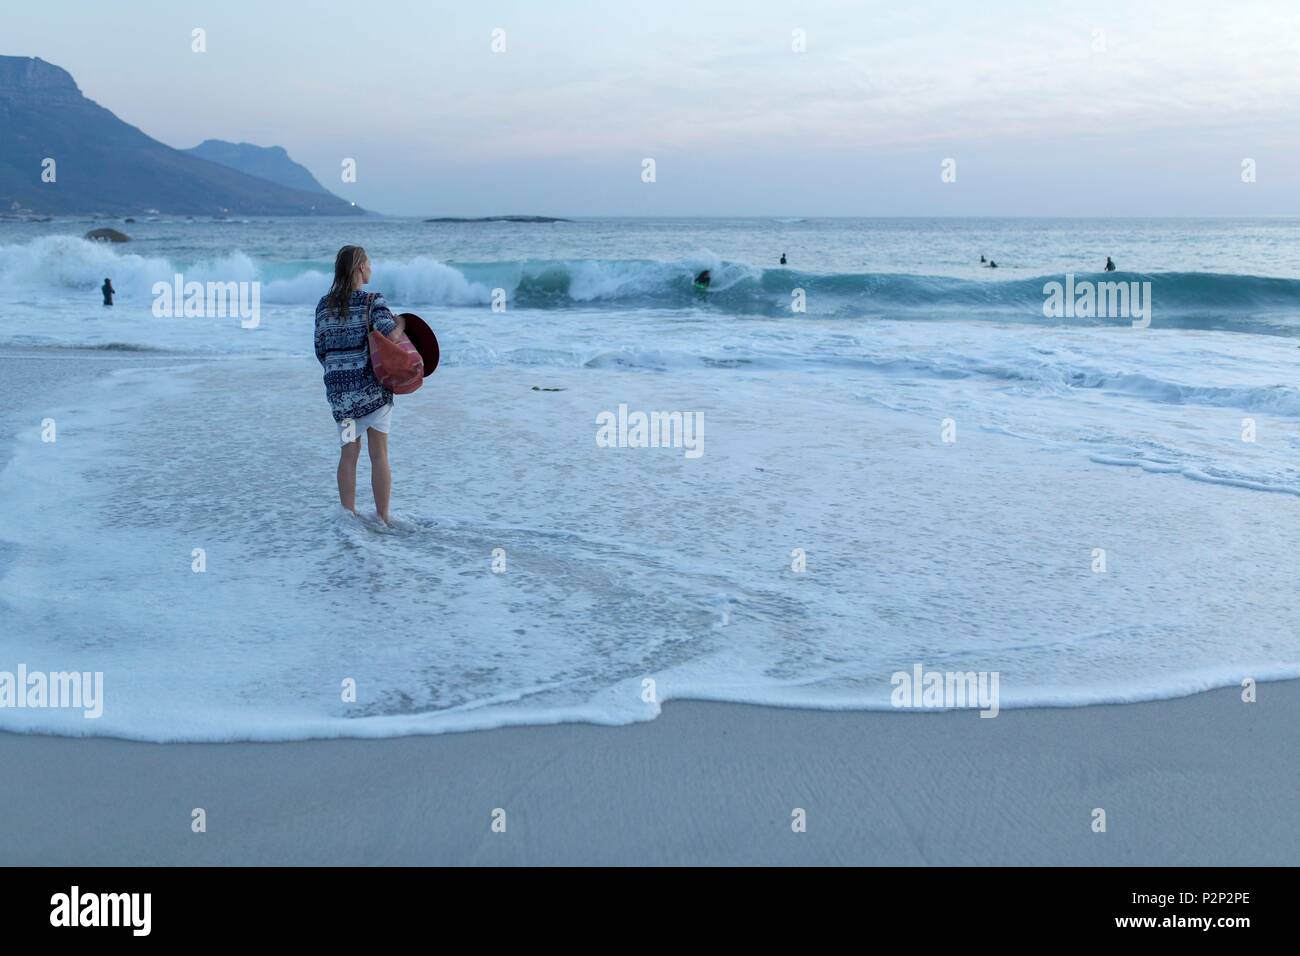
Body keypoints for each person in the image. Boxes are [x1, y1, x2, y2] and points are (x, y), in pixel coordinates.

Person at [314, 245, 406, 526]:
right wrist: (401, 322)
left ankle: (348, 515)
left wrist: (340, 377)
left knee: (348, 454)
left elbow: (320, 349)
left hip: (340, 395)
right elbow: (391, 336)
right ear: (359, 268)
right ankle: (382, 518)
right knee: (379, 454)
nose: (371, 268)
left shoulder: (323, 306)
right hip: (372, 393)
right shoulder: (372, 301)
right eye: (369, 263)